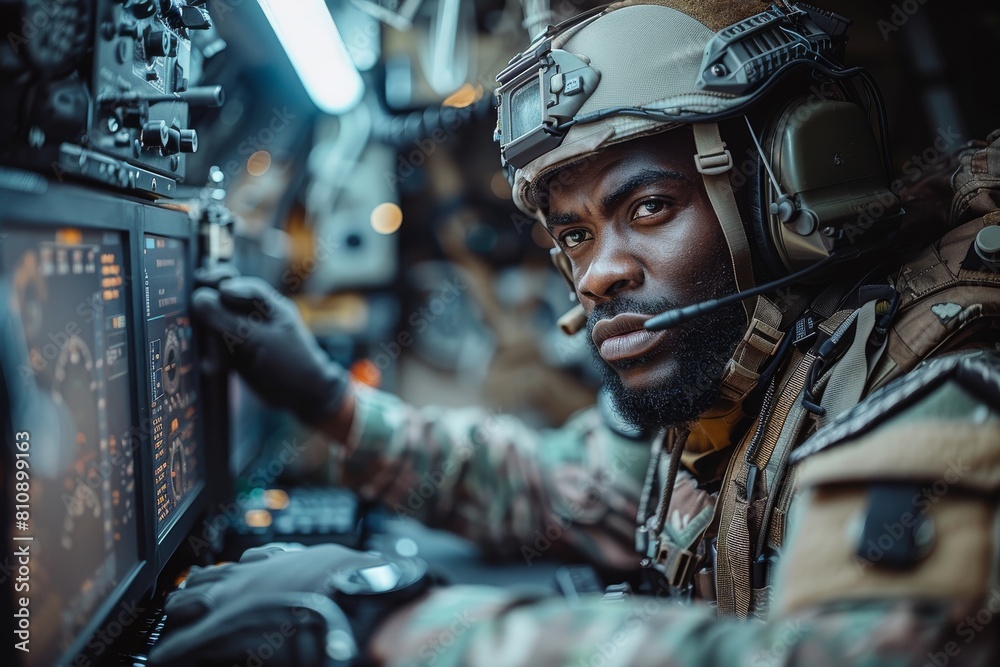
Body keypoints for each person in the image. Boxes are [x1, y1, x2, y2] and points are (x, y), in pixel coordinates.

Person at [149, 1, 1000, 665]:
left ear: (789, 194)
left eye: (649, 206)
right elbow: (568, 491)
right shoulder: (739, 384)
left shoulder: (939, 371)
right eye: (574, 234)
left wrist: (390, 626)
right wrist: (327, 401)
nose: (597, 274)